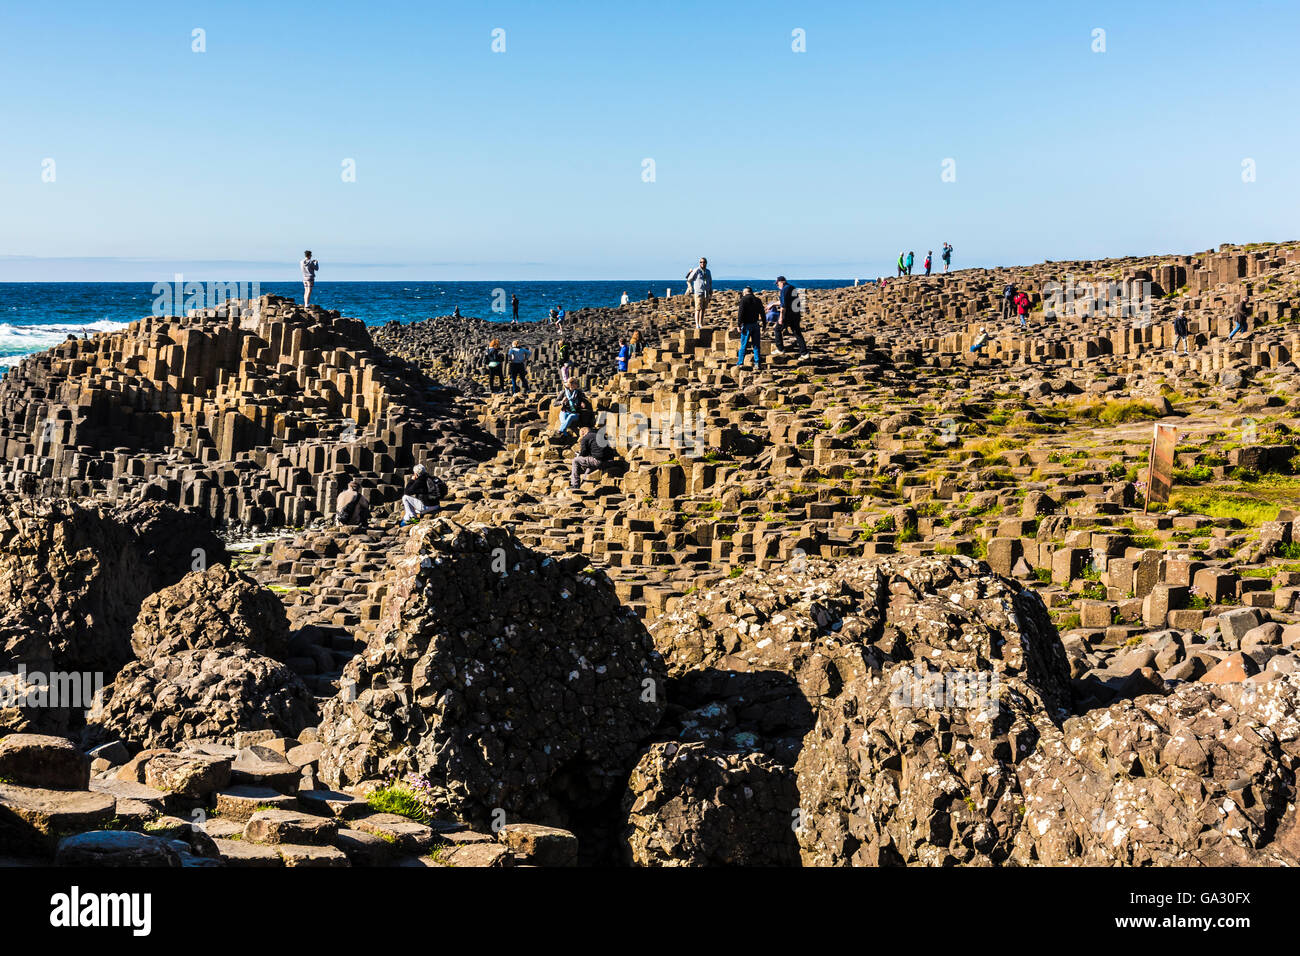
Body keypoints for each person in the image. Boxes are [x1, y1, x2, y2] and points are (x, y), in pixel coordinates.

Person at [571, 423, 614, 491]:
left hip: (598, 461)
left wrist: (579, 454)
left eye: (581, 435)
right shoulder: (600, 435)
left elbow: (583, 452)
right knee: (590, 463)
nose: (581, 437)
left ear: (583, 432)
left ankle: (575, 484)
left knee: (575, 460)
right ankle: (584, 482)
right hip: (608, 461)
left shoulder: (586, 438)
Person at [774, 276, 808, 357]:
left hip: (788, 315)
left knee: (777, 329)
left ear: (782, 282)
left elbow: (783, 305)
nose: (777, 286)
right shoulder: (792, 288)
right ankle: (804, 353)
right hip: (796, 314)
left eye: (777, 283)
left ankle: (780, 349)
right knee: (797, 333)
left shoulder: (784, 290)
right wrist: (773, 304)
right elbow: (787, 301)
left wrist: (781, 317)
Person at [735, 285, 764, 370]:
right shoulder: (758, 300)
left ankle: (740, 362)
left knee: (743, 345)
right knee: (756, 345)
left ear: (745, 293)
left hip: (747, 325)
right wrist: (764, 324)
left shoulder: (743, 300)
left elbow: (741, 313)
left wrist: (738, 325)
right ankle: (757, 363)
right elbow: (762, 313)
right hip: (756, 325)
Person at [686, 256, 713, 330]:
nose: (702, 263)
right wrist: (690, 287)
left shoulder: (708, 271)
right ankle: (697, 324)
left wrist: (711, 291)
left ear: (706, 263)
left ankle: (701, 323)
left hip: (706, 292)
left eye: (704, 262)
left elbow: (710, 282)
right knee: (698, 308)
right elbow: (689, 279)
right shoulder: (696, 270)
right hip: (698, 292)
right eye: (701, 262)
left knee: (703, 308)